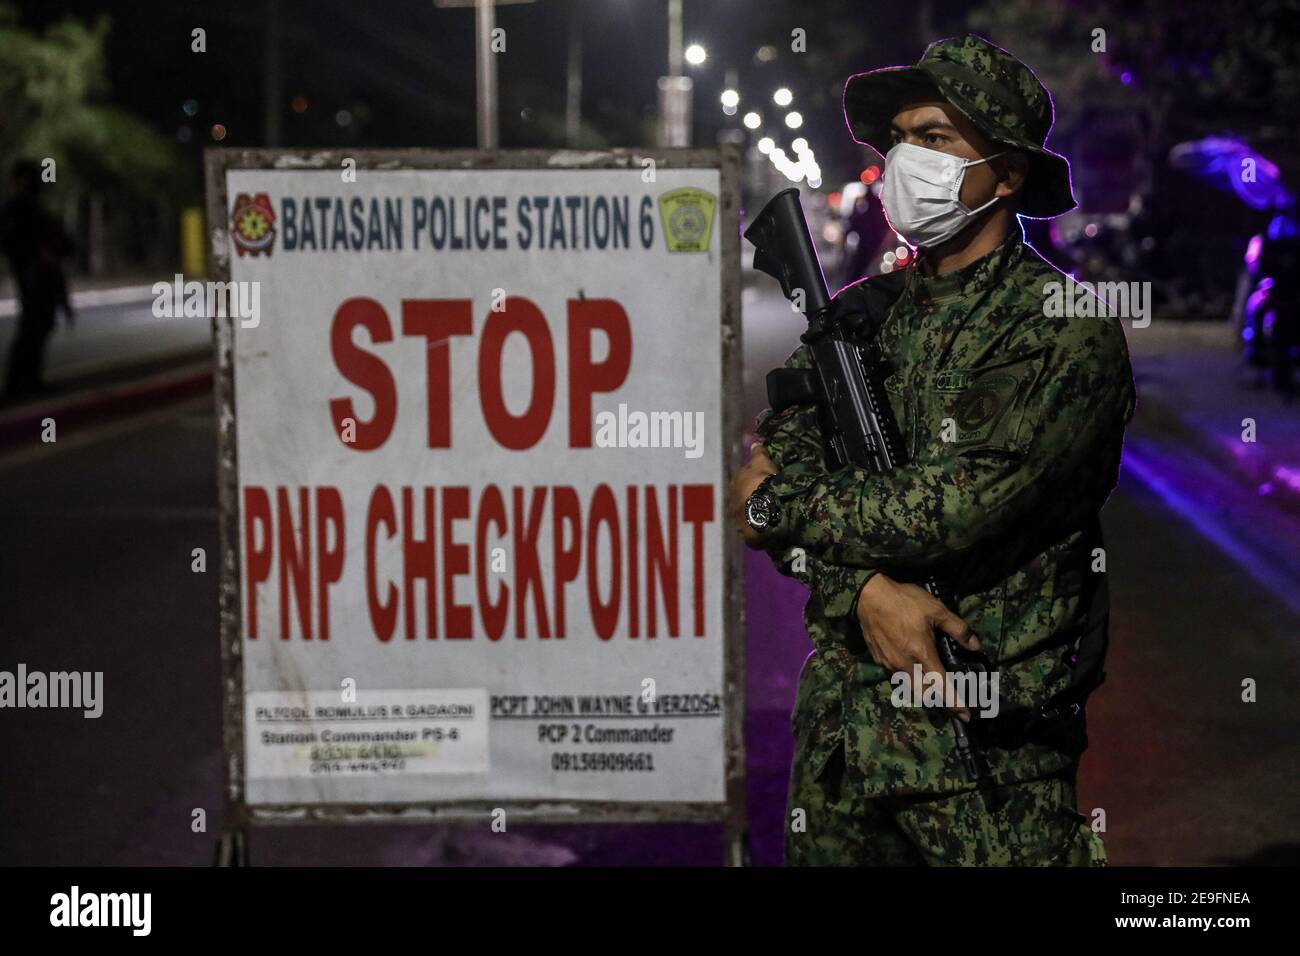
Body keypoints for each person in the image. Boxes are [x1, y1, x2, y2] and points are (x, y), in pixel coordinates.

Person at [729, 35, 1135, 865]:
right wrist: (862, 586)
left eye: (939, 138)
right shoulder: (860, 313)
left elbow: (943, 512)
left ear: (1010, 172)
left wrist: (784, 511)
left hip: (985, 768)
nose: (910, 158)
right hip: (843, 756)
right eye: (903, 138)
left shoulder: (1065, 332)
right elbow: (762, 475)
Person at [2, 159, 75, 401]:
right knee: (32, 326)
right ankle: (18, 383)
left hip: (44, 274)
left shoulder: (34, 209)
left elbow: (60, 242)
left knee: (41, 325)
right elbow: (14, 241)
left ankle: (30, 379)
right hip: (31, 273)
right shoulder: (17, 210)